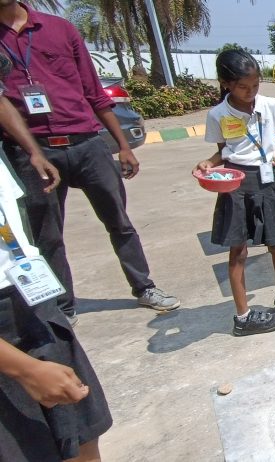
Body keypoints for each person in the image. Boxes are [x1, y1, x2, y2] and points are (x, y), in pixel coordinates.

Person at [0, 0, 179, 328]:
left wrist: (122, 145)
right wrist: (31, 152)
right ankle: (63, 305)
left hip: (85, 143)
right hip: (32, 151)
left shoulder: (59, 29)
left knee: (119, 220)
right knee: (47, 234)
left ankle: (144, 286)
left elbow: (94, 92)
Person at [0, 55, 112, 461]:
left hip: (31, 297)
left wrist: (32, 151)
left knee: (84, 431)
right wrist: (24, 369)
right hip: (7, 341)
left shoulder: (8, 158)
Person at [195, 49, 275, 336]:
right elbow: (224, 152)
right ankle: (243, 316)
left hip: (266, 179)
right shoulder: (218, 114)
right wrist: (210, 163)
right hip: (235, 183)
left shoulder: (270, 105)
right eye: (243, 87)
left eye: (255, 85)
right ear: (226, 84)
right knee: (238, 249)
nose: (250, 92)